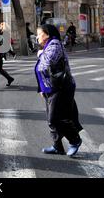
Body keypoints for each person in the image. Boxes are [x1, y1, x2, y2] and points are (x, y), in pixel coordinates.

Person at [34, 24, 83, 157]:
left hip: (61, 87)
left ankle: (75, 140)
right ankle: (57, 146)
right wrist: (41, 88)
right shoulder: (48, 46)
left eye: (39, 34)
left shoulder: (54, 45)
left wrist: (40, 53)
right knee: (51, 118)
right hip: (51, 87)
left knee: (55, 118)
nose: (37, 36)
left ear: (47, 34)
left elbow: (46, 64)